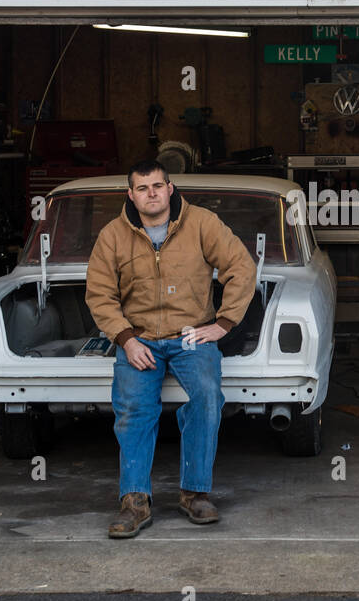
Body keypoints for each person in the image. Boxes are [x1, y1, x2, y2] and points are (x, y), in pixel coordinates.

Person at [85, 160, 255, 538]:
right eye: (142, 188)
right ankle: (135, 501)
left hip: (191, 335)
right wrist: (125, 338)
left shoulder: (202, 223)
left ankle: (195, 493)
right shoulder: (113, 235)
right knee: (133, 408)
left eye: (158, 186)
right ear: (130, 194)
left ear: (171, 187)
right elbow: (99, 293)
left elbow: (240, 266)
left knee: (208, 398)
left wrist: (223, 324)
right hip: (139, 338)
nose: (152, 194)